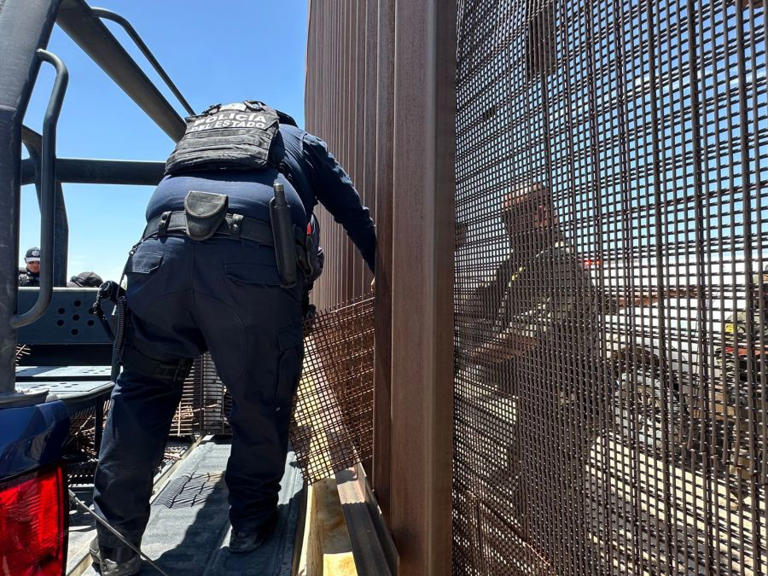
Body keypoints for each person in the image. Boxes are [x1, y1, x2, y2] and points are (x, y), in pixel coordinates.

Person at [90, 101, 376, 576]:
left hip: (159, 260)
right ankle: (249, 523)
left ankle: (116, 546)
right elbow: (352, 212)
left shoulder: (192, 142)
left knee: (142, 393)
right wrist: (381, 271)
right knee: (257, 397)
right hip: (251, 269)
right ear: (278, 121)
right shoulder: (300, 141)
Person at [463, 183, 604, 575]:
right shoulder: (522, 262)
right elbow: (484, 298)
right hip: (539, 395)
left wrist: (467, 356)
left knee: (553, 496)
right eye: (504, 218)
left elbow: (524, 336)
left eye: (515, 217)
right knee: (526, 482)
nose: (507, 226)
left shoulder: (557, 261)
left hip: (570, 398)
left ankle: (571, 562)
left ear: (542, 214)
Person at [717, 264, 768, 508]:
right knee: (748, 446)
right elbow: (726, 356)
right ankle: (736, 493)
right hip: (752, 394)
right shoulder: (740, 319)